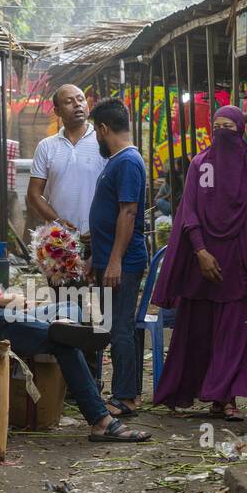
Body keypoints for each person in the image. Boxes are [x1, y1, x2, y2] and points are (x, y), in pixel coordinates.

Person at [0, 180, 150, 445]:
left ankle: (65, 327)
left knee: (69, 307)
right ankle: (102, 420)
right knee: (65, 341)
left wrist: (13, 302)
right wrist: (3, 301)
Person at [152, 105, 247, 422]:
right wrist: (201, 252)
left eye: (228, 127)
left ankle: (225, 398)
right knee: (199, 332)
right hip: (203, 263)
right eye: (216, 126)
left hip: (240, 262)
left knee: (234, 332)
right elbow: (188, 213)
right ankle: (188, 391)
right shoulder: (199, 164)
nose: (222, 133)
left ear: (241, 131)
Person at [87, 98, 148, 418]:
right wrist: (95, 258)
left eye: (95, 131)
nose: (96, 138)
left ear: (103, 128)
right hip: (110, 258)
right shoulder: (118, 161)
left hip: (123, 262)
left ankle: (125, 396)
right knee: (113, 324)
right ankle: (128, 392)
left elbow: (128, 212)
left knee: (119, 326)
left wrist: (113, 261)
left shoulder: (126, 162)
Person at [27, 84, 105, 236]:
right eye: (69, 102)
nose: (77, 105)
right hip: (60, 241)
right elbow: (34, 194)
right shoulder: (46, 146)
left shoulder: (102, 141)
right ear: (57, 111)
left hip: (99, 236)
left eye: (80, 100)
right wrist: (58, 221)